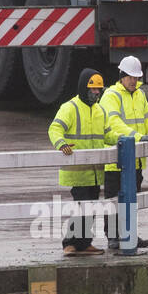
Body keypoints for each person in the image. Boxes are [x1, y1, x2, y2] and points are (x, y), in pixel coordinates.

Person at [48, 69, 119, 256]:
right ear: (83, 88)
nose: (96, 93)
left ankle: (84, 243)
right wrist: (61, 143)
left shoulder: (99, 110)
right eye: (93, 89)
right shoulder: (69, 108)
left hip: (95, 172)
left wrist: (124, 139)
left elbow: (108, 134)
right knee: (81, 208)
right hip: (77, 171)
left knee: (91, 208)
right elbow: (55, 129)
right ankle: (69, 244)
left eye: (99, 89)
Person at [102, 55, 148, 250]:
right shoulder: (111, 95)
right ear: (121, 76)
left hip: (137, 160)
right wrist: (137, 137)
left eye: (136, 77)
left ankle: (130, 234)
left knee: (132, 199)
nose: (134, 81)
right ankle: (113, 237)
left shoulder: (140, 94)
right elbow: (114, 123)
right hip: (116, 160)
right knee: (114, 200)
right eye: (130, 77)